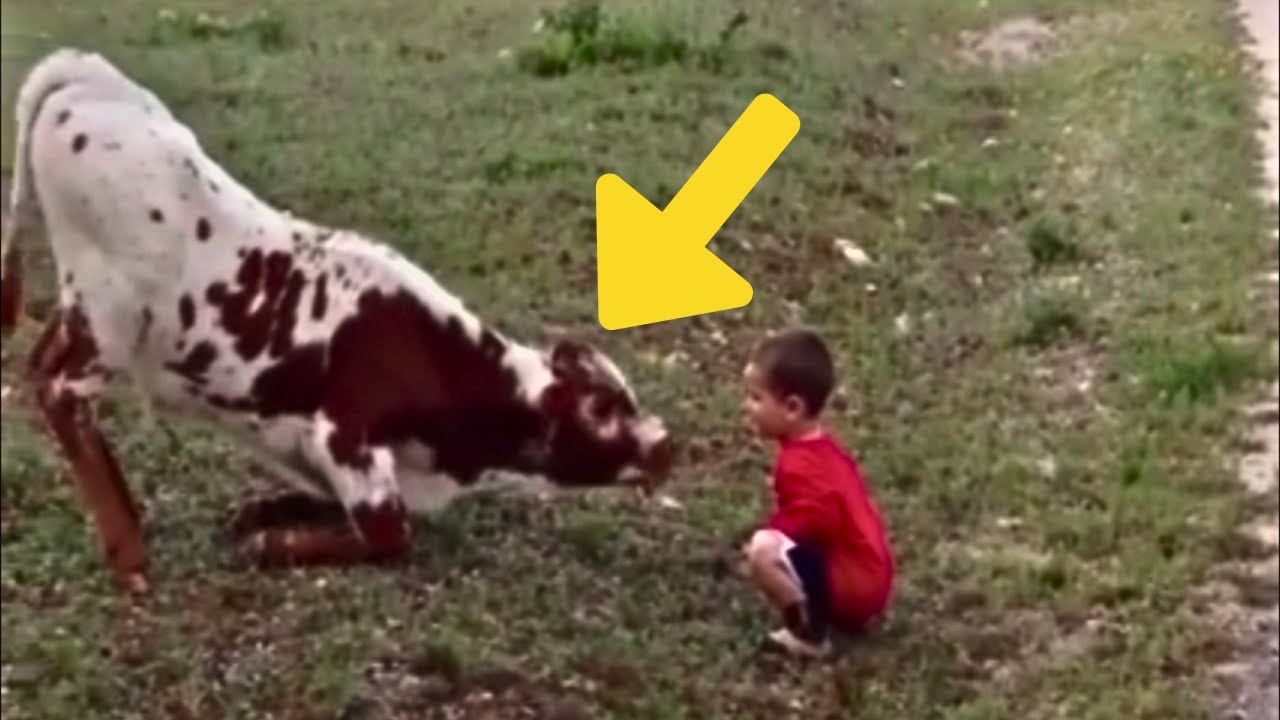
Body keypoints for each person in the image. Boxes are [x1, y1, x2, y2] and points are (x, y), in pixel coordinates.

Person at [738, 327, 895, 657]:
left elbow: (820, 518)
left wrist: (778, 533)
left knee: (763, 552)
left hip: (855, 586)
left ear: (792, 408)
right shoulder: (825, 450)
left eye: (756, 398)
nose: (747, 407)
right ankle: (828, 610)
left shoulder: (799, 464)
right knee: (775, 545)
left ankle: (808, 634)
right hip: (869, 578)